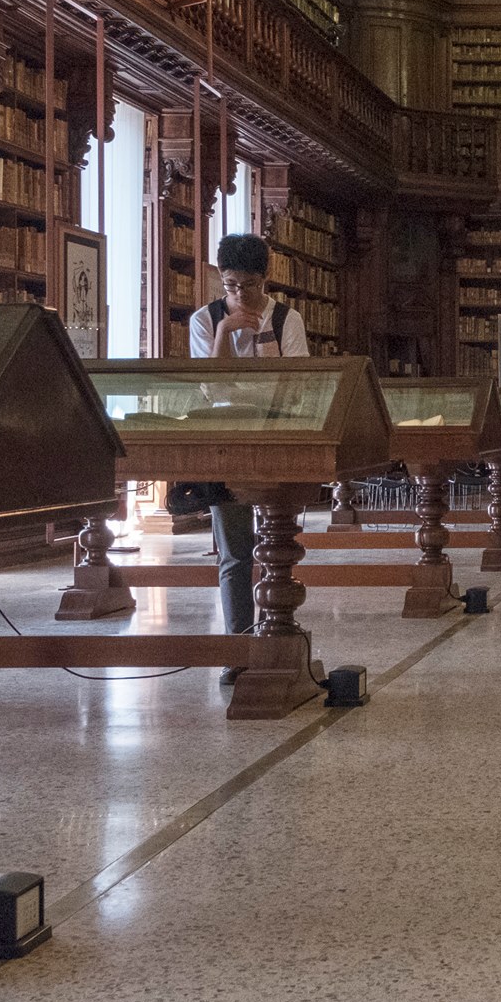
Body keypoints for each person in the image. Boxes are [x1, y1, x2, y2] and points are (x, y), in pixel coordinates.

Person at [189, 234, 308, 682]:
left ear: (266, 279)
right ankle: (238, 647)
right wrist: (224, 333)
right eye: (231, 285)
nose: (240, 295)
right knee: (235, 550)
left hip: (277, 437)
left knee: (278, 543)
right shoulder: (205, 320)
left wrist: (252, 382)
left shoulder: (287, 319)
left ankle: (276, 637)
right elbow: (211, 388)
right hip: (226, 441)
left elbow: (295, 384)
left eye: (250, 285)